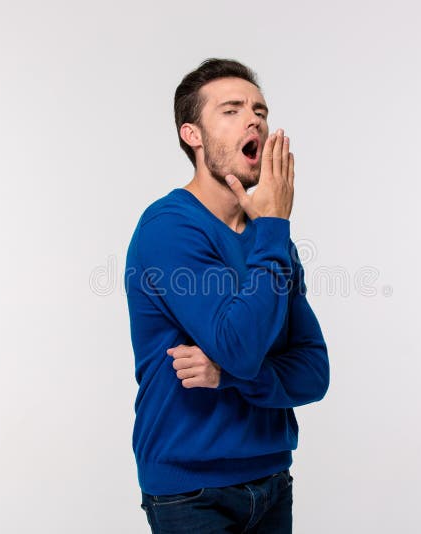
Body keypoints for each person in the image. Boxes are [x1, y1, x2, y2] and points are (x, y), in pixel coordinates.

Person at [124, 58, 330, 533]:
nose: (254, 119)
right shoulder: (169, 228)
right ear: (192, 135)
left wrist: (228, 376)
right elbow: (238, 343)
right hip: (192, 493)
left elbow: (314, 372)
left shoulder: (271, 241)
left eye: (260, 109)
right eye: (232, 110)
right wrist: (274, 225)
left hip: (273, 479)